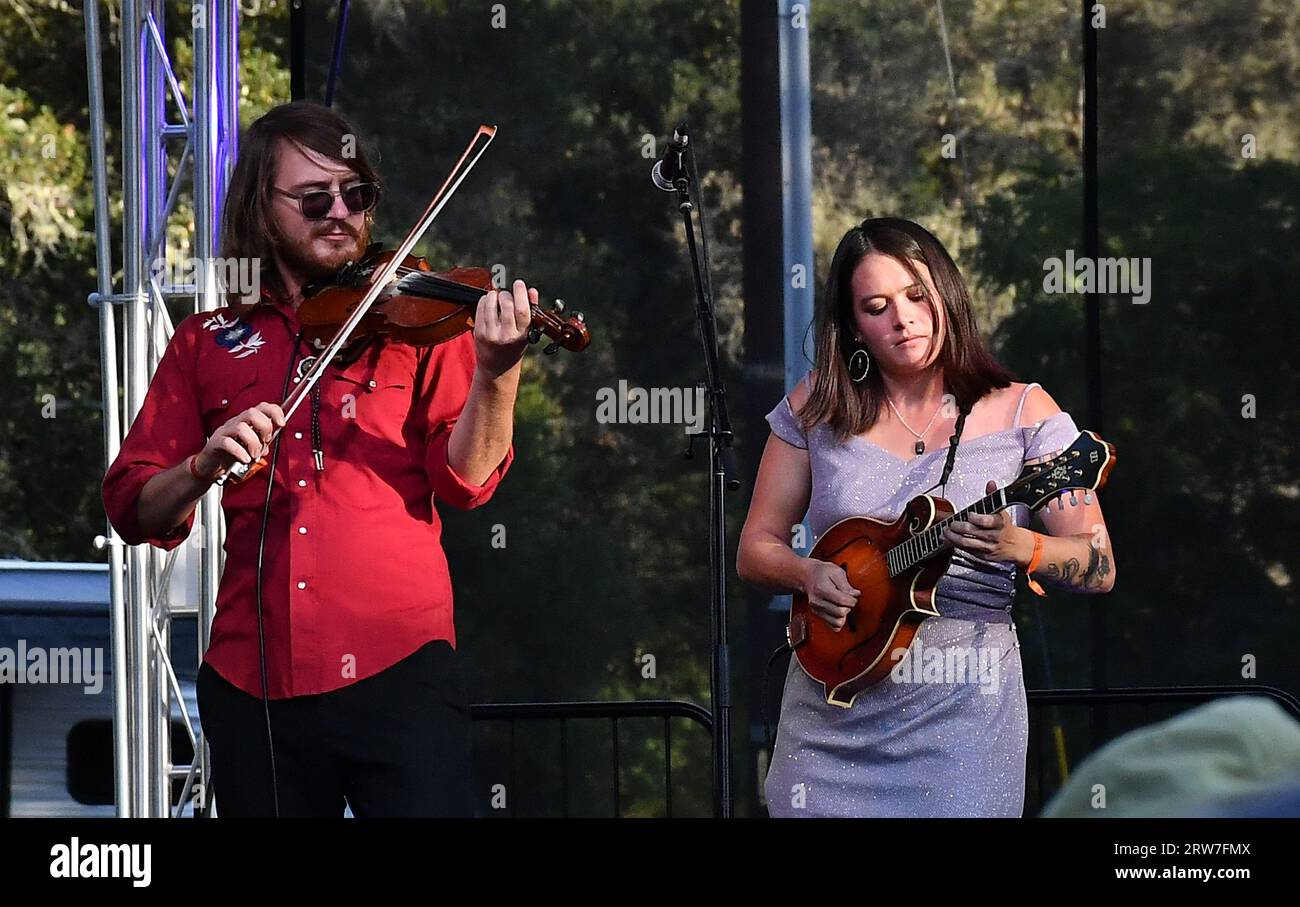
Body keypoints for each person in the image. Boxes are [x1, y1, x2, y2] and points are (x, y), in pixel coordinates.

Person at [102, 101, 534, 817]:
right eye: (313, 198)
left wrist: (498, 374)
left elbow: (467, 482)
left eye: (355, 195)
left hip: (400, 668)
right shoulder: (207, 342)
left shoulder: (419, 323)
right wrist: (202, 465)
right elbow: (131, 505)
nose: (340, 213)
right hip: (252, 682)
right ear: (263, 211)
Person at [737, 217, 1116, 817]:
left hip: (962, 715)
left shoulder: (1024, 410)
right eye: (876, 306)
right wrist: (806, 575)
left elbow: (1098, 566)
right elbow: (756, 547)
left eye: (917, 295)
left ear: (946, 293)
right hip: (830, 705)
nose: (902, 318)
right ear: (853, 326)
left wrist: (1026, 547)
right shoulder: (816, 404)